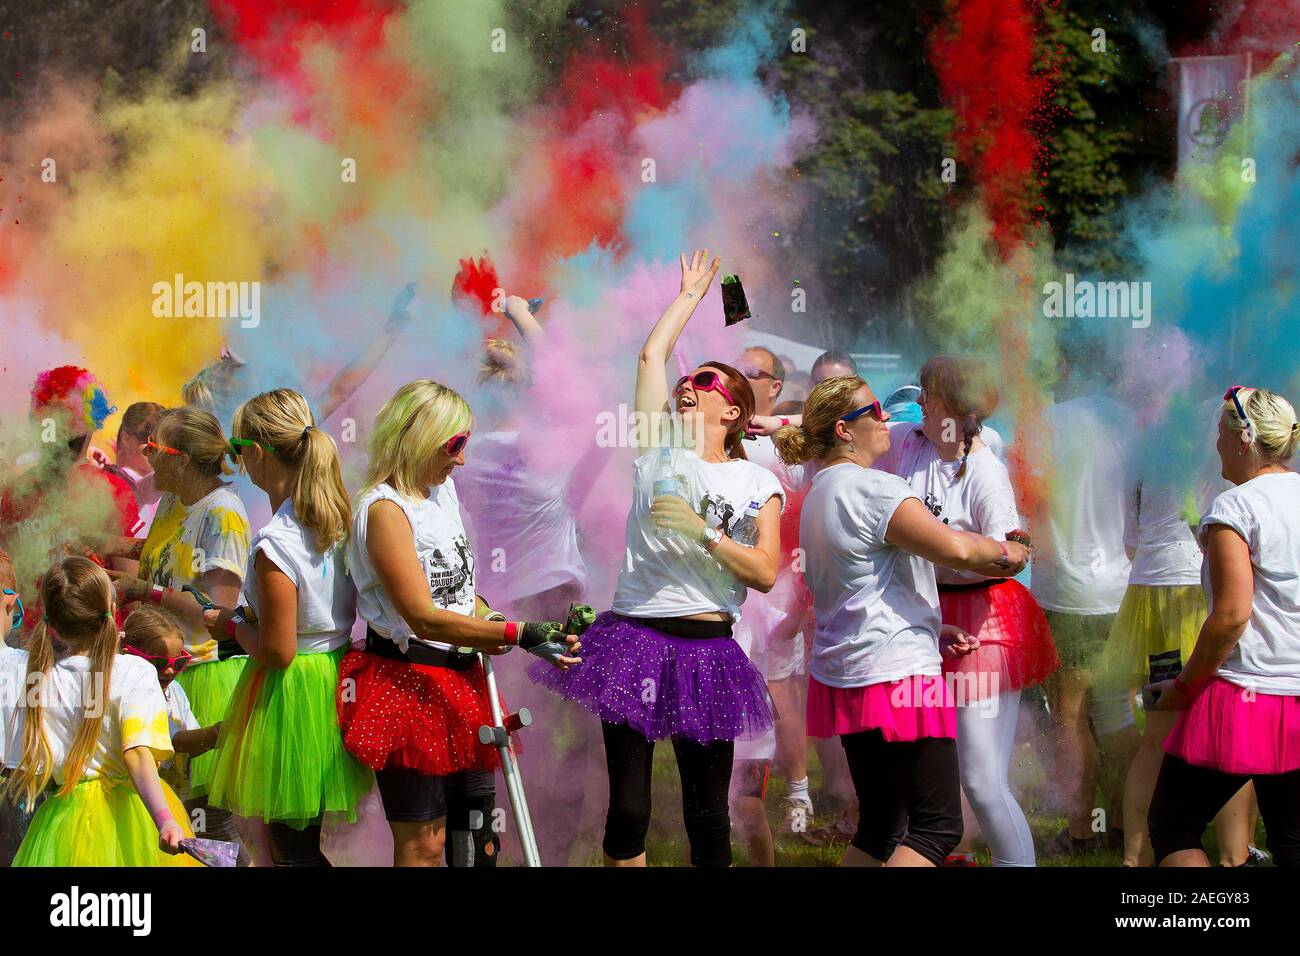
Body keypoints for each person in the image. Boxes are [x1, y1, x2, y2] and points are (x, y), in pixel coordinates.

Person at [530, 250, 782, 868]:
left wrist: (703, 532)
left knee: (707, 817)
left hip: (709, 648)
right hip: (636, 638)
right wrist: (691, 296)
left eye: (704, 385)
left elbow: (766, 572)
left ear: (734, 411)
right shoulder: (657, 449)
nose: (686, 390)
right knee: (630, 813)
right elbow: (650, 357)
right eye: (684, 387)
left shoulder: (758, 484)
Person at [775, 375, 1030, 867]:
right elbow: (955, 547)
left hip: (848, 672)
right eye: (873, 409)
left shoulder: (822, 489)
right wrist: (1012, 549)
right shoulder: (877, 488)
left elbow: (864, 584)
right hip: (897, 676)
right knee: (937, 827)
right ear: (845, 431)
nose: (887, 416)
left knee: (880, 826)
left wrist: (931, 627)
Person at [339, 379, 579, 867]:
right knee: (424, 848)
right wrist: (515, 633)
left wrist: (504, 623)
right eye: (454, 446)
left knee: (478, 841)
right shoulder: (385, 509)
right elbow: (424, 617)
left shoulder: (442, 491)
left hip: (463, 682)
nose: (462, 460)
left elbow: (460, 592)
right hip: (407, 686)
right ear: (417, 437)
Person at [874, 357, 1058, 866]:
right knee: (932, 771)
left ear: (952, 407)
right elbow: (835, 432)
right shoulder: (908, 439)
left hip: (984, 626)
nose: (920, 403)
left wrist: (967, 551)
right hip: (924, 617)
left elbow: (1009, 551)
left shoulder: (984, 469)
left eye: (929, 395)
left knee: (980, 777)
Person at [196, 389, 374, 867]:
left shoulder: (276, 542)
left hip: (293, 693)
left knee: (289, 847)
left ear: (255, 454)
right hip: (333, 677)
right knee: (300, 839)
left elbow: (277, 651)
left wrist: (231, 627)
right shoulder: (333, 518)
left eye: (237, 449)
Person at [1147, 386, 1300, 868]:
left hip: (1246, 695)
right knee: (1293, 842)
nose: (1214, 444)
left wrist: (1183, 688)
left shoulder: (1235, 507)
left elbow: (1232, 615)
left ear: (1243, 440)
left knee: (1173, 825)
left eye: (1219, 433)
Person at [1098, 438, 1257, 866]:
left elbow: (1130, 537)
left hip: (1150, 596)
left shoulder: (1147, 446)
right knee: (1231, 738)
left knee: (1156, 740)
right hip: (1199, 597)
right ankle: (1233, 858)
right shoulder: (1220, 444)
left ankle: (1135, 858)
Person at [105, 406, 252, 854]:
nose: (148, 456)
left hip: (199, 674)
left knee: (208, 825)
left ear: (182, 460)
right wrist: (109, 545)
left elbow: (218, 610)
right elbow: (165, 559)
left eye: (155, 448)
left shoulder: (222, 514)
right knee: (163, 818)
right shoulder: (174, 498)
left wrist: (143, 592)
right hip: (156, 672)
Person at [0, 556, 199, 866]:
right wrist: (164, 819)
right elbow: (137, 753)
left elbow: (30, 762)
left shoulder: (38, 678)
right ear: (110, 610)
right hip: (132, 818)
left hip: (62, 821)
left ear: (51, 623)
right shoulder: (133, 672)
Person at [1033, 357, 1139, 856]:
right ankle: (1124, 824)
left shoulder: (1045, 425)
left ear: (1063, 371)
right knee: (1116, 713)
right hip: (1119, 587)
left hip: (1067, 593)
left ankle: (1080, 833)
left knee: (1069, 716)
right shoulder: (1130, 423)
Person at [737, 346, 817, 838]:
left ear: (775, 386)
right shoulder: (723, 431)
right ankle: (739, 795)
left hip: (784, 587)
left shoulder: (793, 438)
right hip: (737, 583)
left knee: (781, 691)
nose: (742, 378)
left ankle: (800, 793)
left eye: (753, 372)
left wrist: (804, 597)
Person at [0, 367, 141, 600]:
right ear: (92, 423)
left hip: (37, 631)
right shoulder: (112, 489)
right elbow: (131, 590)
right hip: (86, 631)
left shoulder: (14, 491)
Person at [119, 606, 219, 797]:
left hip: (172, 794)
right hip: (135, 797)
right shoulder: (130, 696)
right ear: (128, 655)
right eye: (158, 663)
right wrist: (218, 734)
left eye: (179, 663)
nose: (170, 671)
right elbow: (175, 741)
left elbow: (191, 744)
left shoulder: (175, 691)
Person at [104, 402, 167, 537]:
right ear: (126, 439)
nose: (157, 448)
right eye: (148, 438)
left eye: (165, 441)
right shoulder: (125, 480)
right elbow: (149, 486)